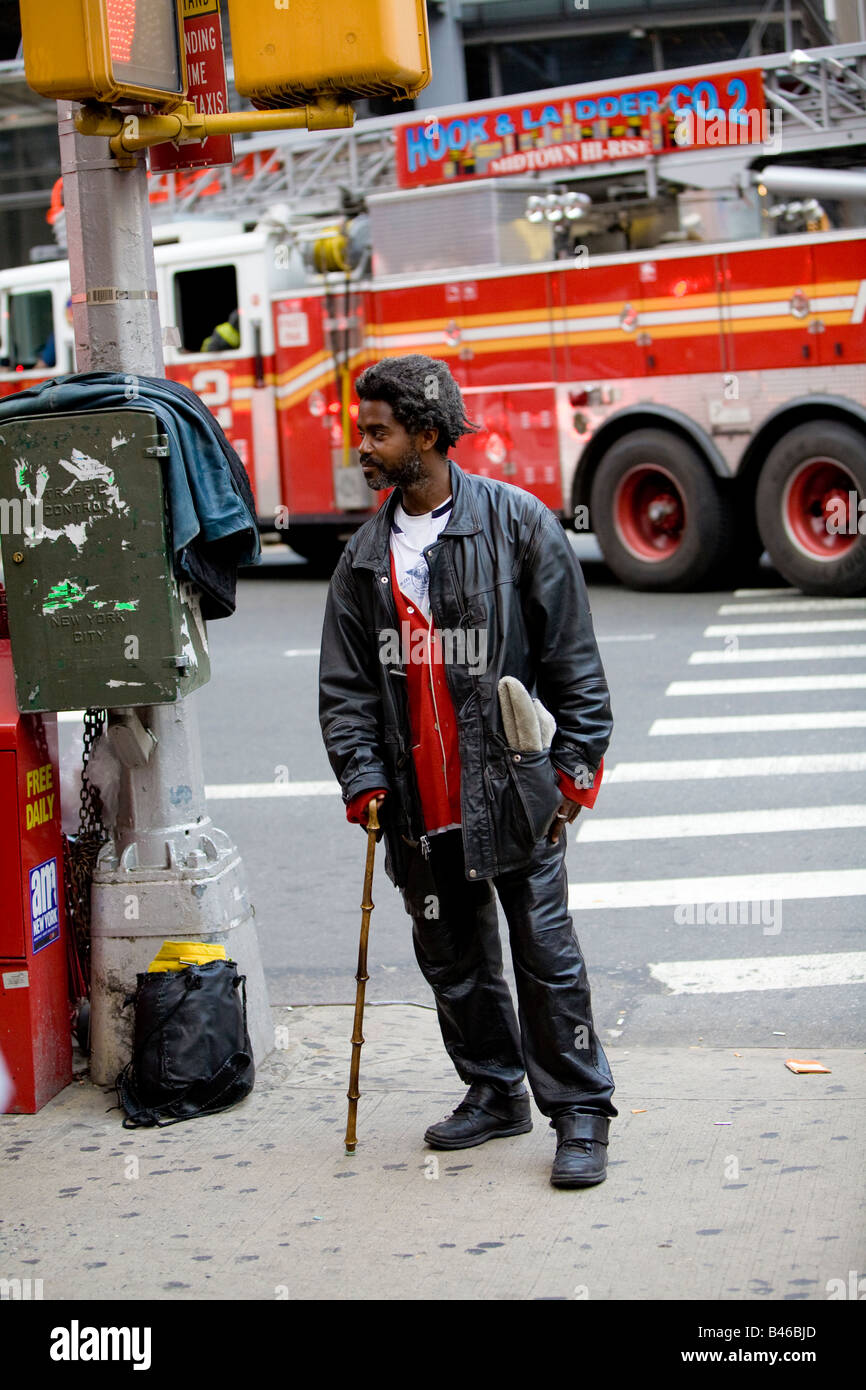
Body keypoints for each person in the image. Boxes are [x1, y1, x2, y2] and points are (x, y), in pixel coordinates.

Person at [318, 355, 616, 1188]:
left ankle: (582, 1110)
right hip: (418, 806)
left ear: (427, 433)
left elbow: (576, 672)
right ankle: (494, 1090)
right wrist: (363, 781)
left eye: (378, 431)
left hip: (515, 797)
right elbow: (344, 690)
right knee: (452, 959)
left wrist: (569, 779)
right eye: (361, 429)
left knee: (546, 957)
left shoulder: (519, 526)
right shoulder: (363, 557)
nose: (363, 445)